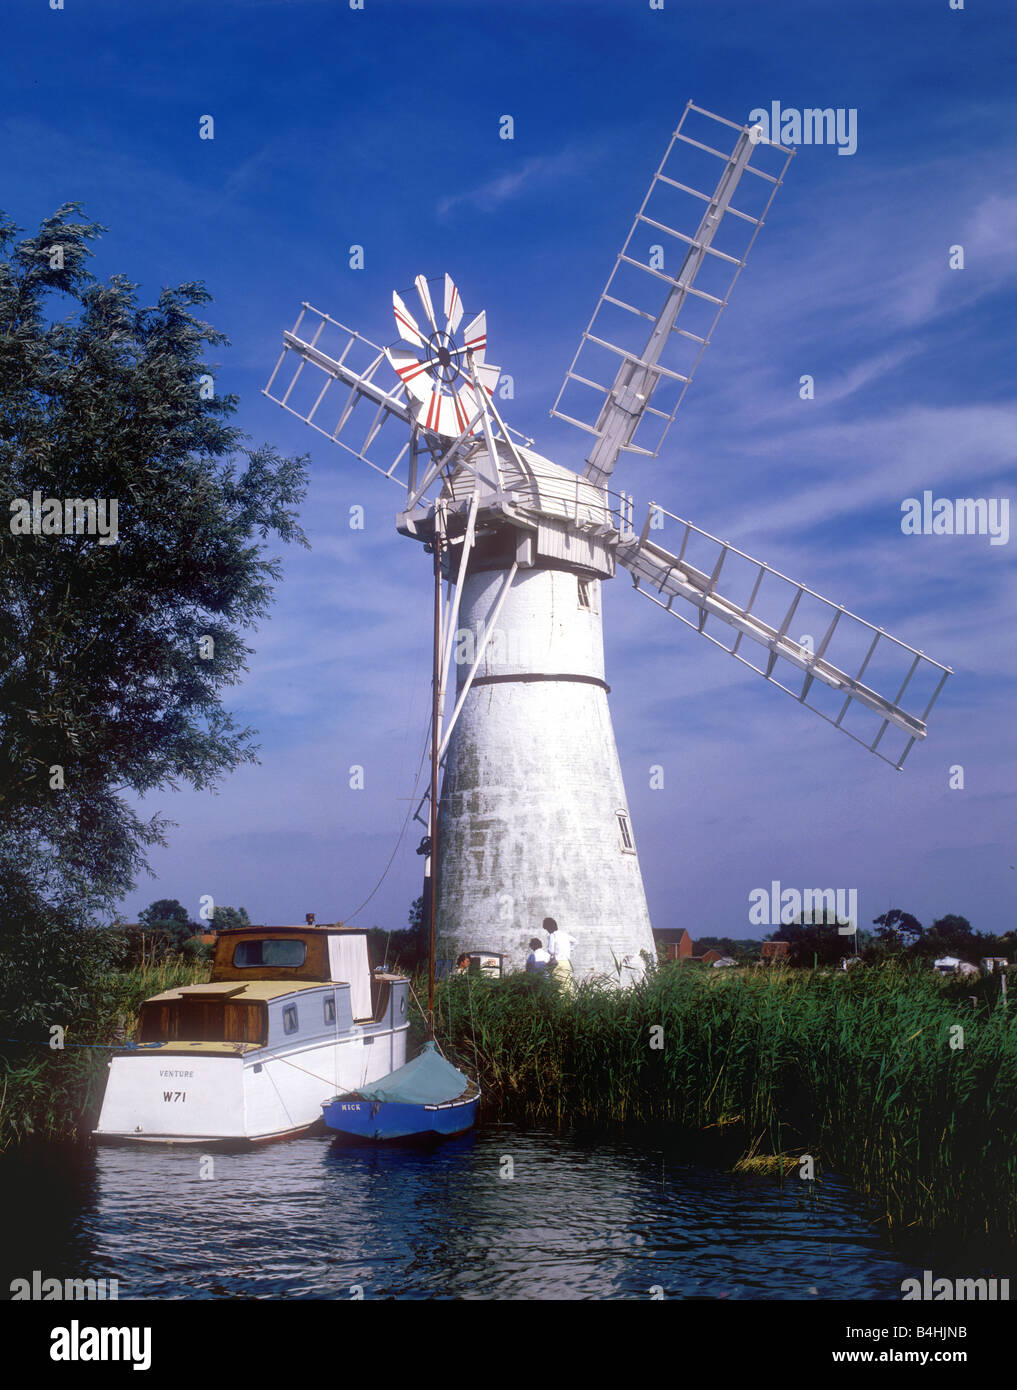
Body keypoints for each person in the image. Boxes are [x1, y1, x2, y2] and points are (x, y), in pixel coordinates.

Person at [544, 917, 576, 990]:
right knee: (568, 986)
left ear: (548, 928)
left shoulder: (552, 935)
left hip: (557, 963)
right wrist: (570, 949)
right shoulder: (564, 935)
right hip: (567, 963)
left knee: (558, 987)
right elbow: (575, 941)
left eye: (546, 929)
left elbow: (551, 950)